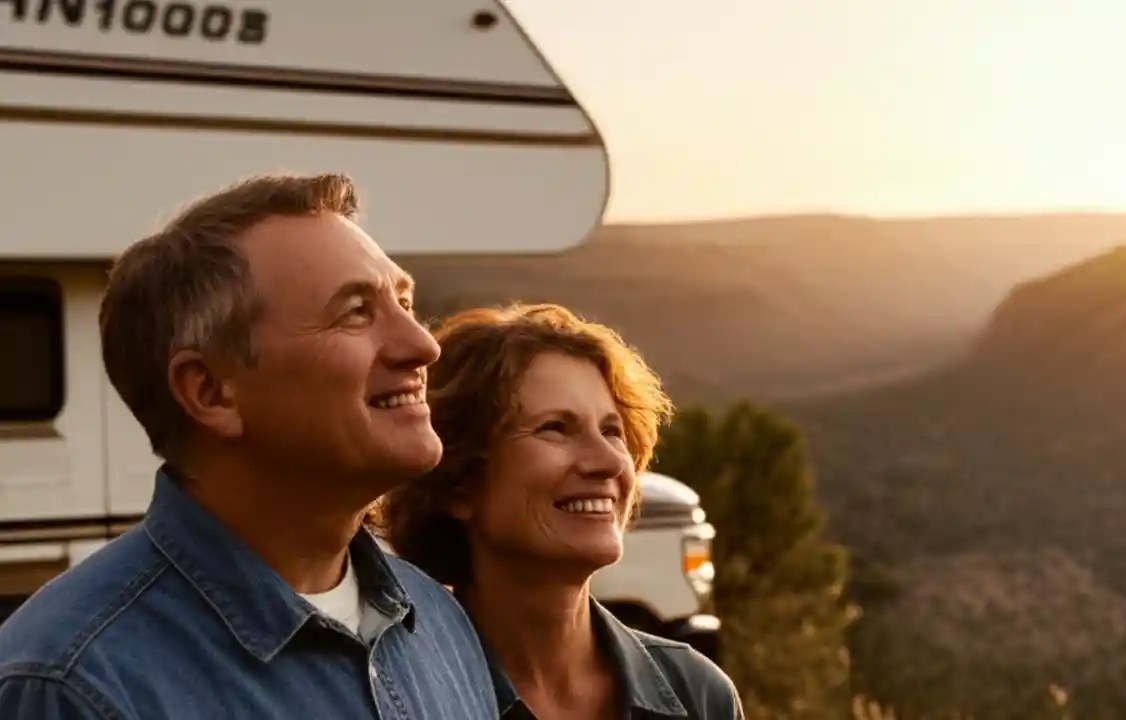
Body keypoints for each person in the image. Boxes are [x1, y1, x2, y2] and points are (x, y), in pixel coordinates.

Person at [0, 173, 497, 719]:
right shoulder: (74, 685)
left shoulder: (435, 620)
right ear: (210, 392)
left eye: (405, 303)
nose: (423, 345)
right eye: (356, 312)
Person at [373, 303, 745, 719]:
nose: (607, 462)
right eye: (556, 428)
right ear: (459, 482)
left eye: (612, 431)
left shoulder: (698, 695)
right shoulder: (398, 697)